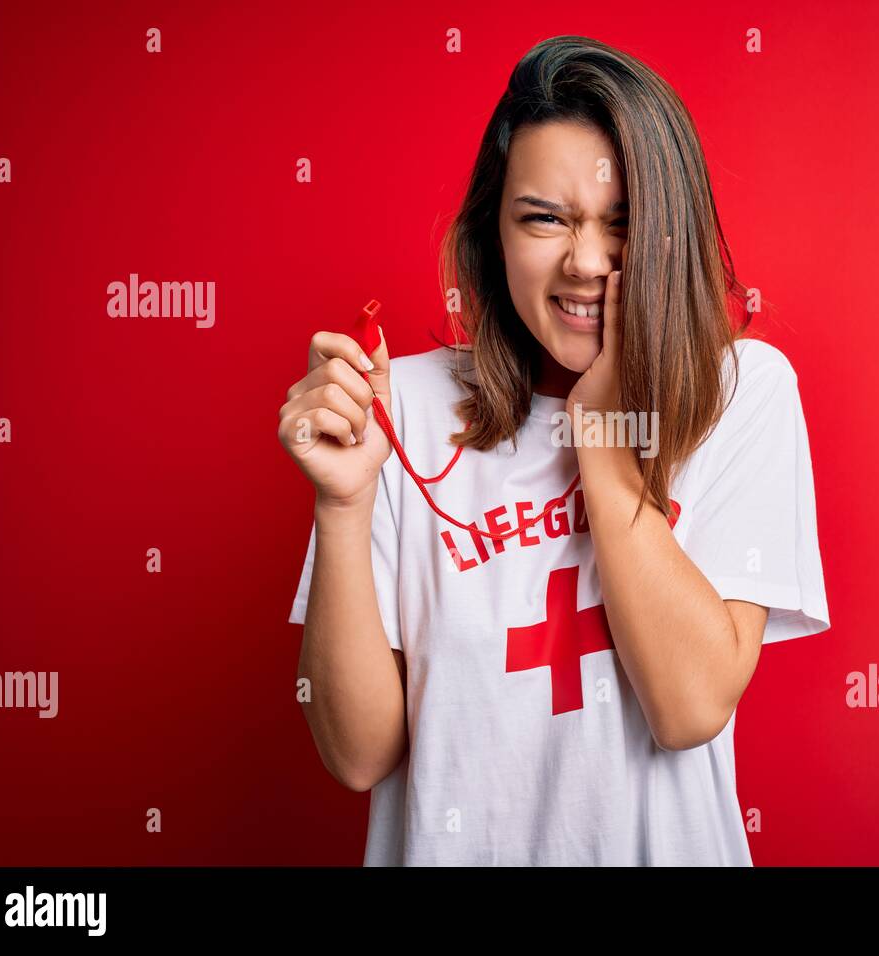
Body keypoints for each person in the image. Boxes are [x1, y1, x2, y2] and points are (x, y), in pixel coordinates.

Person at [279, 35, 830, 866]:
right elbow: (358, 757)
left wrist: (602, 436)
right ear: (495, 235)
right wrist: (343, 503)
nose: (586, 263)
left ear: (671, 234)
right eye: (545, 218)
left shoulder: (742, 392)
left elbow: (687, 708)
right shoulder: (407, 407)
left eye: (624, 223)